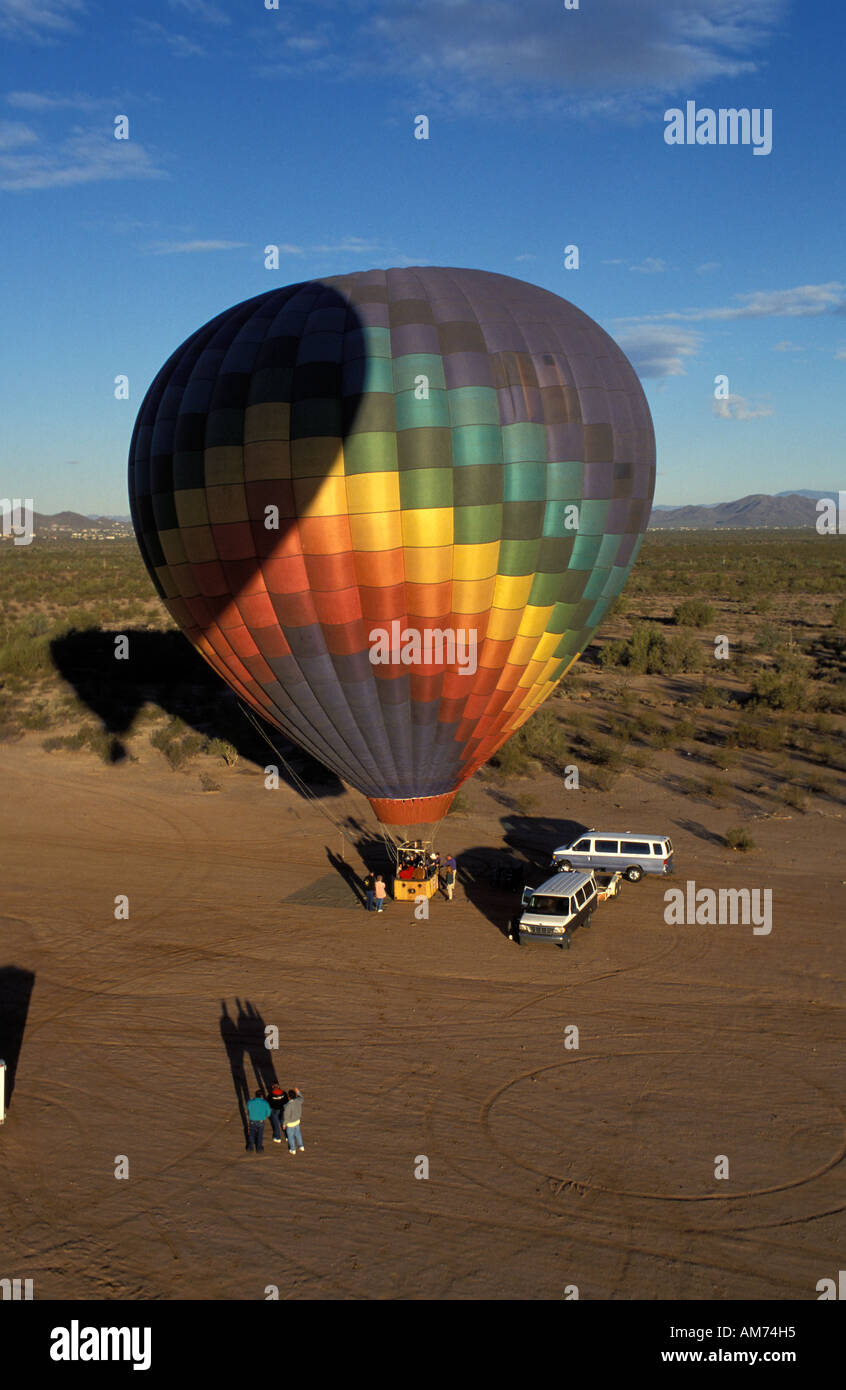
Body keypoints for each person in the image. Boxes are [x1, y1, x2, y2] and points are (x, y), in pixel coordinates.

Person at [283, 1088, 305, 1154]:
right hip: (297, 1121)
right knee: (298, 1134)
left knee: (290, 1137)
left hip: (290, 1124)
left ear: (289, 1097)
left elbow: (286, 1116)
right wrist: (298, 1091)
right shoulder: (298, 1101)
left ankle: (293, 1149)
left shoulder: (288, 1106)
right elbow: (302, 1098)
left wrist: (284, 1124)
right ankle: (301, 1146)